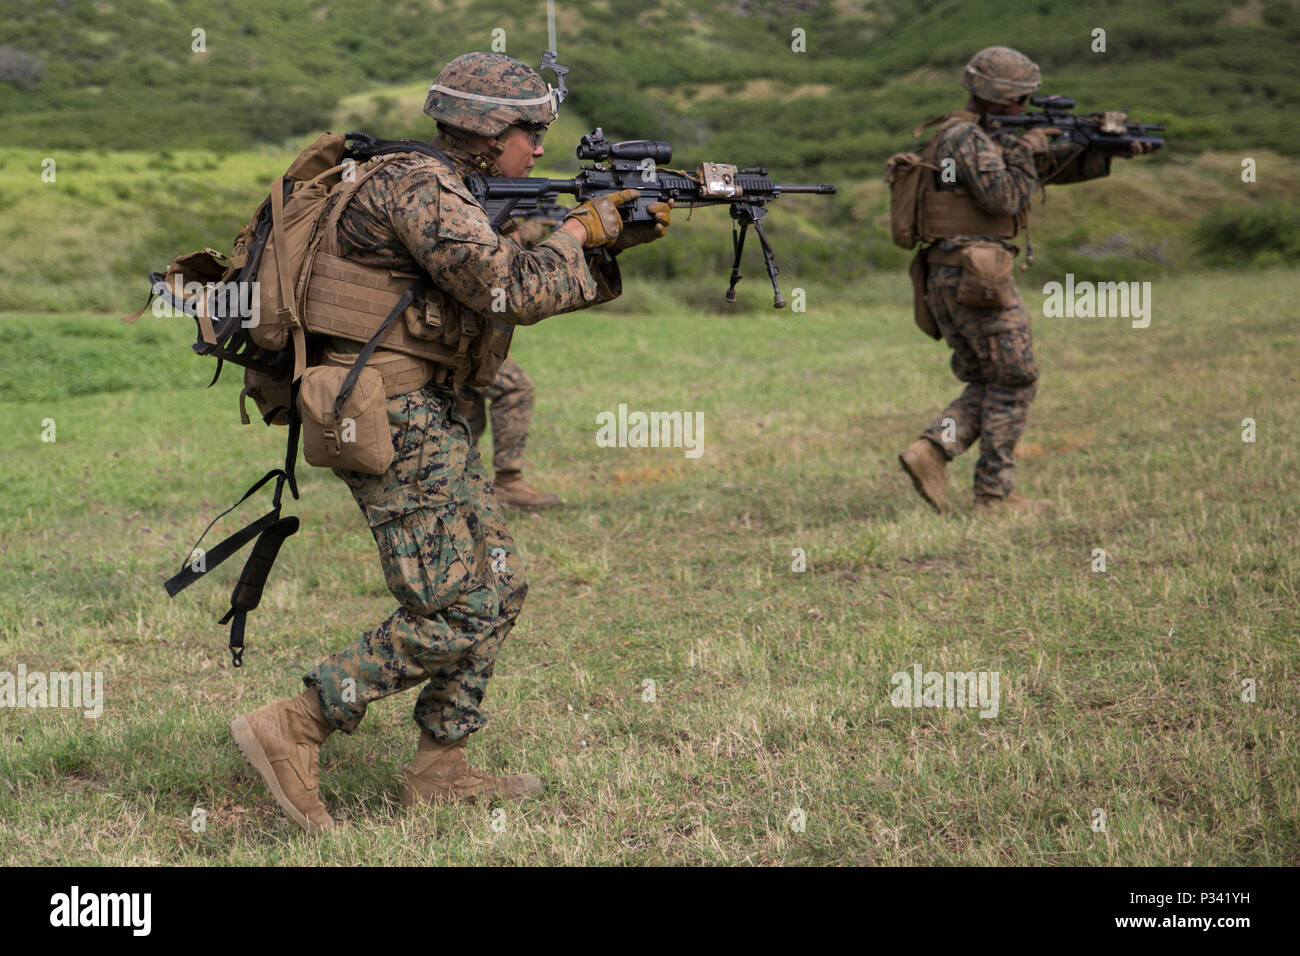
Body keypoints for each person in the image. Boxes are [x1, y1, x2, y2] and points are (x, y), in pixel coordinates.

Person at [228, 52, 671, 832]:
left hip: (425, 408)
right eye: (531, 130)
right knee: (460, 606)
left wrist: (602, 247)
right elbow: (512, 289)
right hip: (390, 412)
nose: (539, 148)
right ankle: (295, 723)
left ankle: (441, 767)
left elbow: (505, 286)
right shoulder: (420, 187)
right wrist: (577, 231)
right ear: (487, 128)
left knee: (498, 583)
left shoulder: (440, 186)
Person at [898, 46, 1151, 514]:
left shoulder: (970, 136)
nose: (1025, 110)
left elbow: (1031, 174)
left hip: (954, 273)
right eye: (1020, 102)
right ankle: (994, 495)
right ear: (999, 100)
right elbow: (1007, 196)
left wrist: (1099, 153)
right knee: (1016, 377)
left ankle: (932, 450)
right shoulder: (966, 140)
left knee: (990, 377)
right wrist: (1025, 147)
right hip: (975, 275)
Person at [459, 210, 571, 511]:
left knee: (465, 404)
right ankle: (508, 482)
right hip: (464, 332)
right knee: (514, 389)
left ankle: (460, 487)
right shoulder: (468, 205)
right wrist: (520, 238)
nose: (535, 159)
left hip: (466, 331)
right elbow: (496, 267)